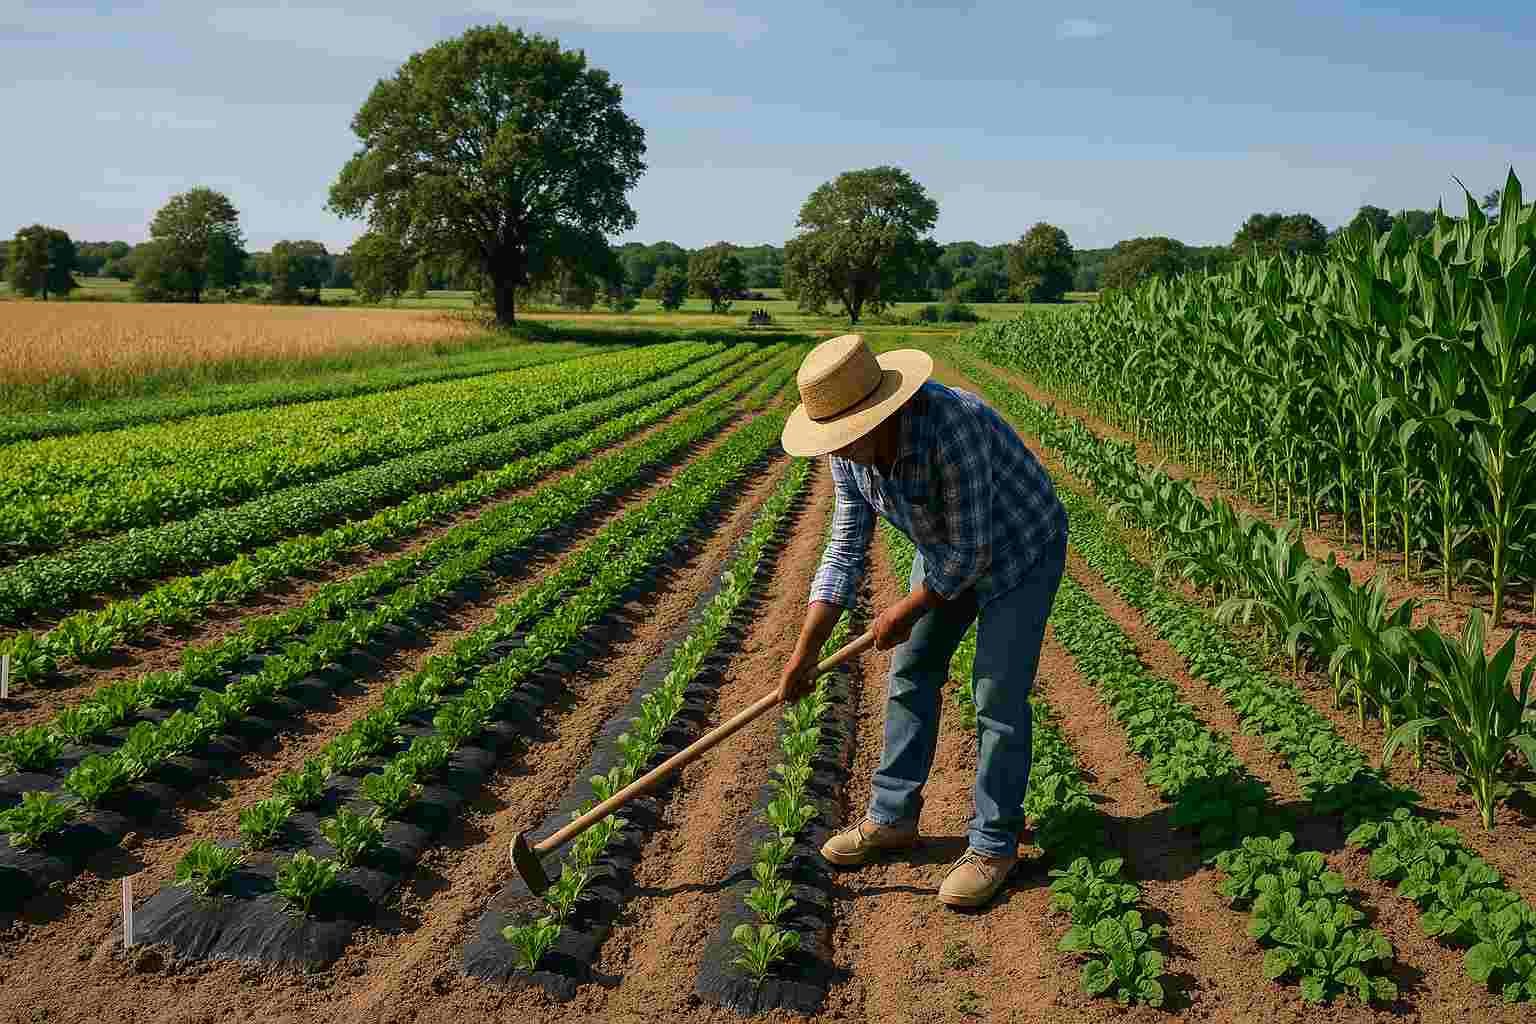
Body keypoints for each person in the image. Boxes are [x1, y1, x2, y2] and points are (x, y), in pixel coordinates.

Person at [777, 334, 1067, 909]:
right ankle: (892, 817)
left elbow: (974, 552)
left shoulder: (951, 424)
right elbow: (844, 549)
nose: (840, 448)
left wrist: (905, 610)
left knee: (997, 695)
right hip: (945, 550)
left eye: (847, 436)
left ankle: (993, 844)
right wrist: (805, 650)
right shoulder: (850, 453)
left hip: (1019, 550)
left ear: (879, 413)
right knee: (911, 672)